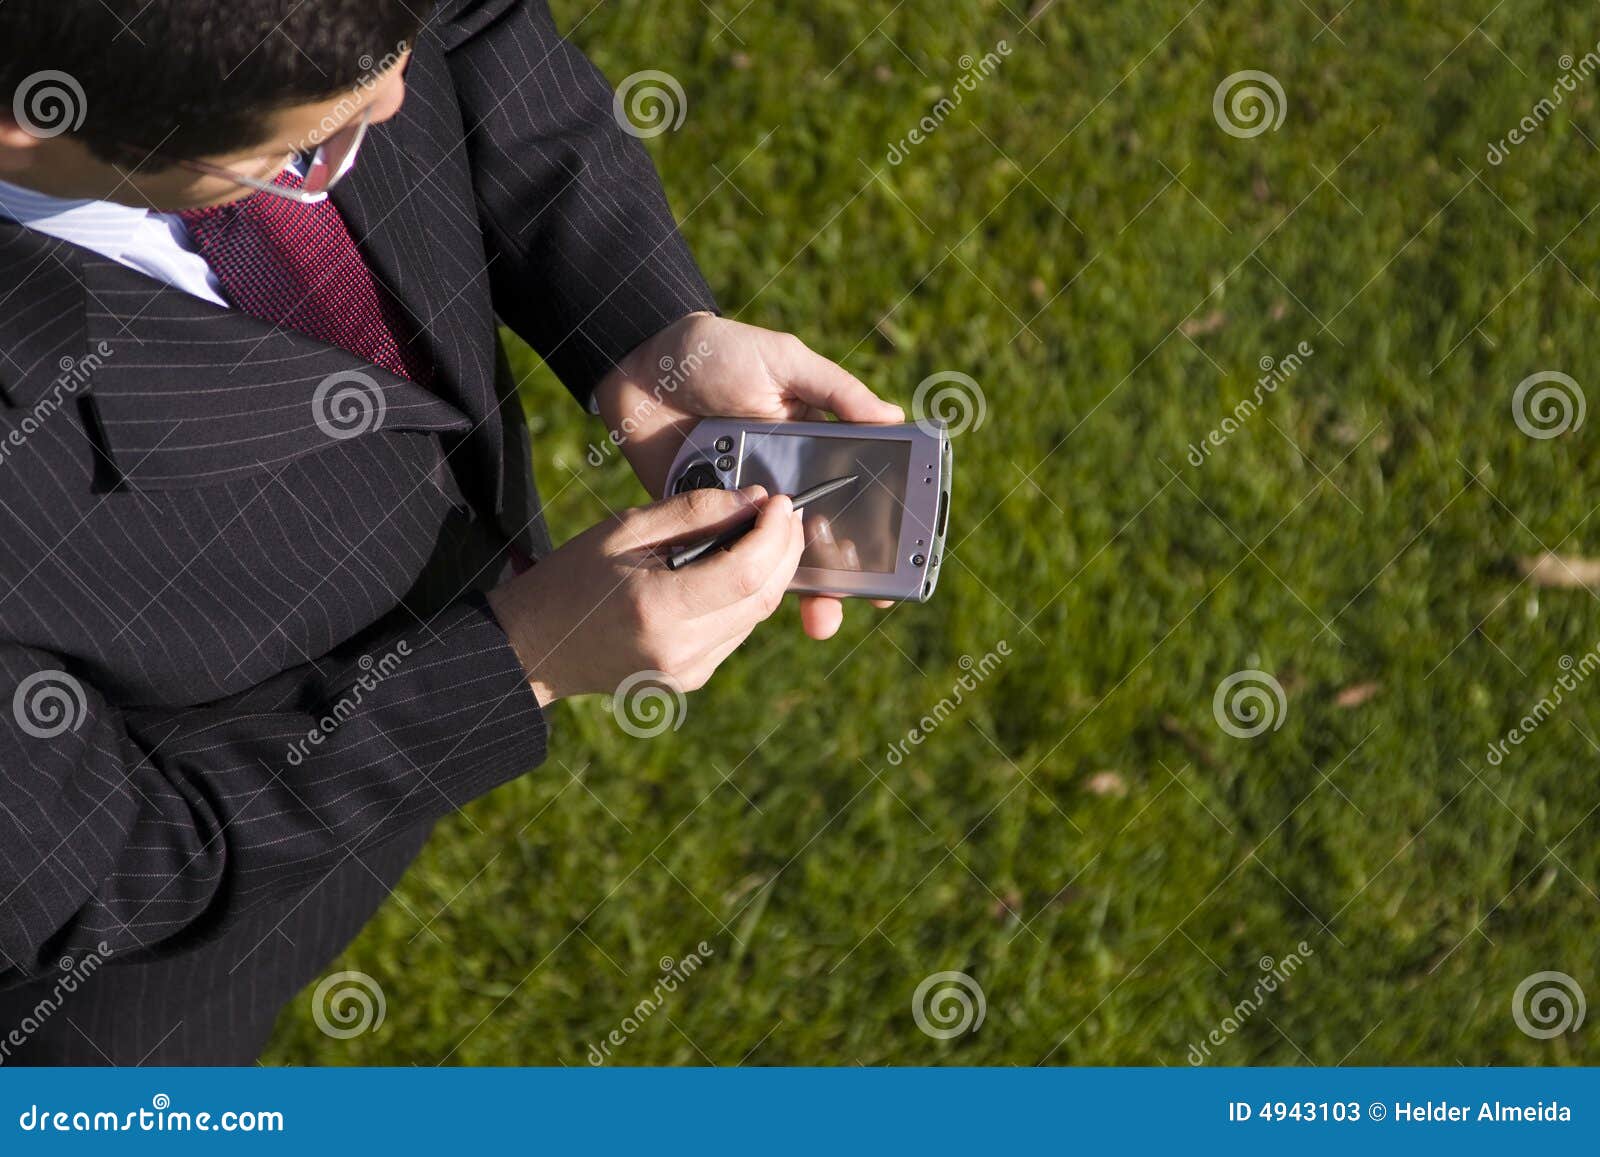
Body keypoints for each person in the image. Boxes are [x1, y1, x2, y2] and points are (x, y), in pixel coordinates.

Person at [0, 0, 901, 1064]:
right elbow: (108, 854)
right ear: (32, 125)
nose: (395, 100)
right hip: (138, 973)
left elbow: (474, 31)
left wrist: (642, 328)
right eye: (301, 149)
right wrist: (510, 664)